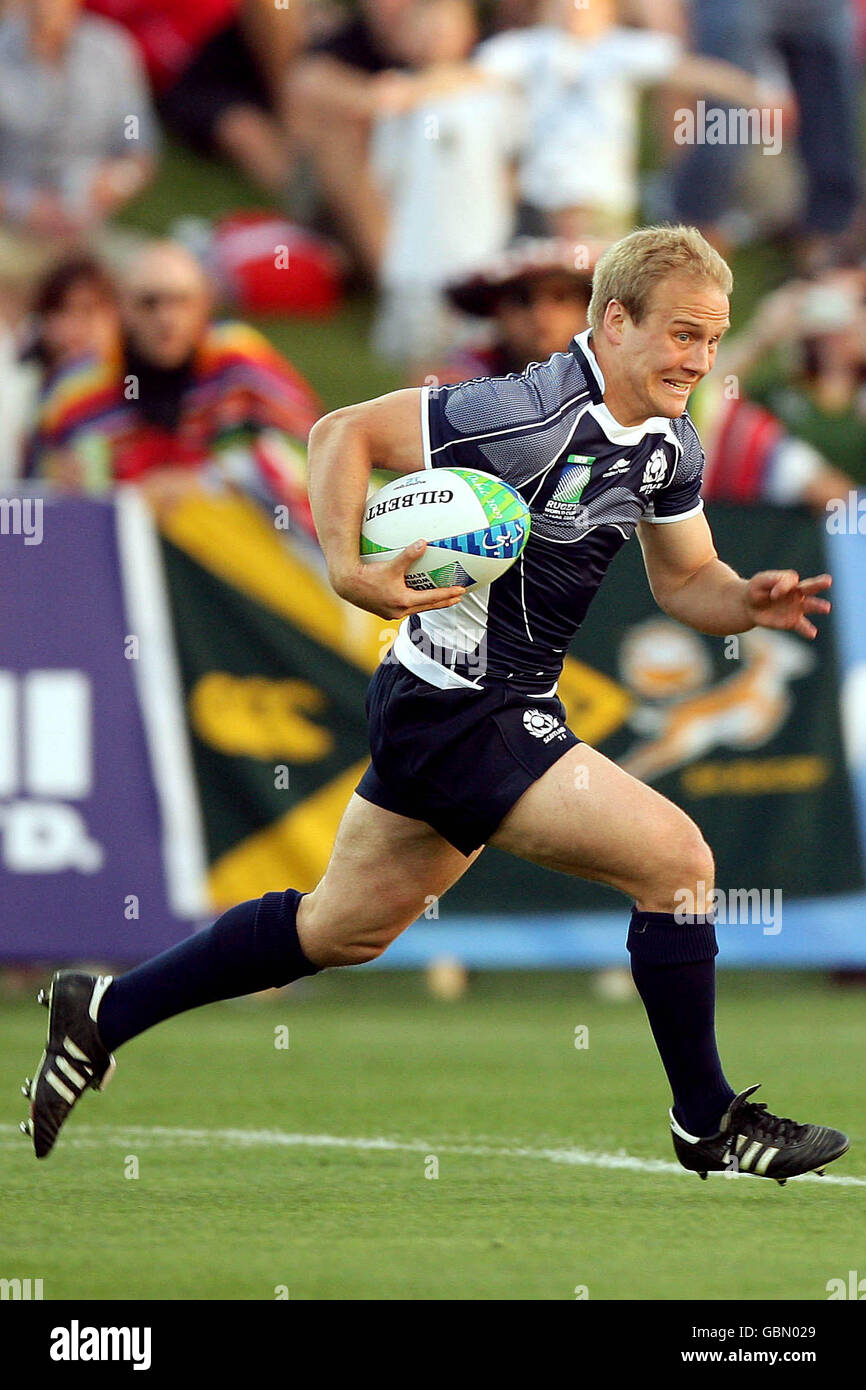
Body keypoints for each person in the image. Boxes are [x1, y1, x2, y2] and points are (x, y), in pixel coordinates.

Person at [21, 225, 849, 1184]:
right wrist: (346, 567)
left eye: (713, 338)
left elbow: (686, 578)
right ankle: (706, 1121)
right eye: (682, 335)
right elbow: (342, 434)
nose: (699, 358)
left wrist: (744, 599)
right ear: (616, 322)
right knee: (679, 865)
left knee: (339, 931)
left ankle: (102, 1010)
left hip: (465, 704)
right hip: (463, 708)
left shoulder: (670, 441)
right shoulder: (529, 409)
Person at [27, 241, 322, 532]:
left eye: (181, 301)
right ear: (123, 309)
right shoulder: (78, 391)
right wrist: (59, 484)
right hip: (124, 551)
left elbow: (312, 452)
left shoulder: (238, 364)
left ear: (205, 305)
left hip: (243, 552)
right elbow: (32, 488)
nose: (166, 318)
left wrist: (211, 480)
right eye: (149, 303)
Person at [0, 0, 156, 297]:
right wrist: (24, 206)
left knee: (159, 278)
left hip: (88, 231)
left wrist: (121, 178)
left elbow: (135, 133)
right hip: (11, 234)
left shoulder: (111, 51)